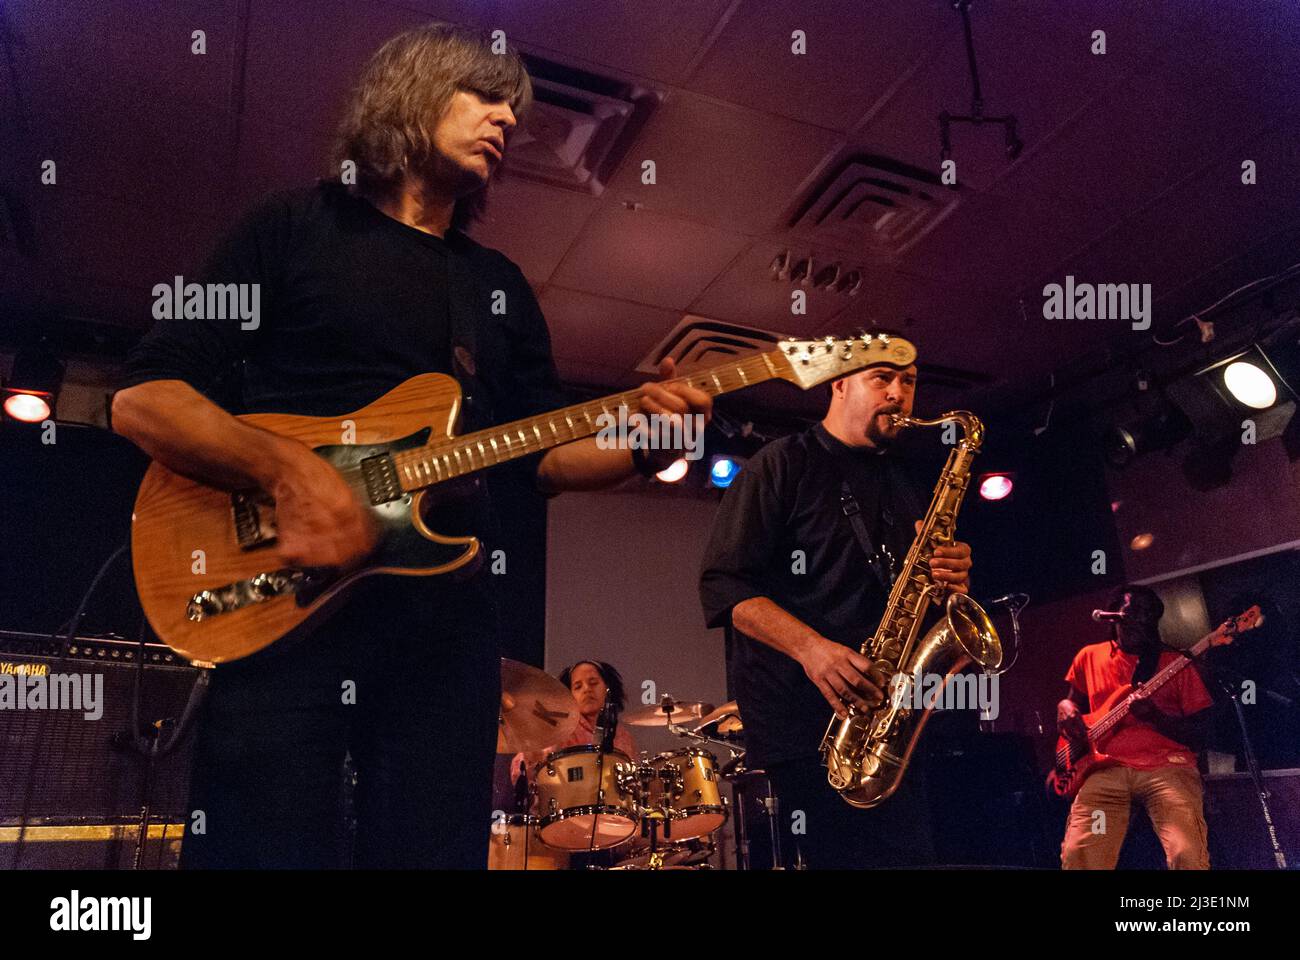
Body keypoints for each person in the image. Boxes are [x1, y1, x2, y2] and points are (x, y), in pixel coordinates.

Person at [110, 22, 709, 869]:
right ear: (413, 92)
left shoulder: (495, 288)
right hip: (285, 610)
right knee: (261, 846)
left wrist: (646, 443)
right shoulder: (292, 227)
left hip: (441, 628)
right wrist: (290, 472)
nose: (507, 119)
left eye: (516, 108)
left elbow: (543, 456)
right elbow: (145, 400)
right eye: (485, 97)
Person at [698, 341, 973, 868]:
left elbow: (910, 593)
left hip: (888, 718)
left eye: (910, 380)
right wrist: (813, 649)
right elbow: (723, 584)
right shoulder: (780, 464)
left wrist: (949, 580)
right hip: (804, 728)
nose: (900, 393)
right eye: (883, 378)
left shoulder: (901, 479)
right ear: (839, 383)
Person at [1057, 584, 1214, 870]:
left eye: (1148, 614)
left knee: (1187, 853)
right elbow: (1072, 703)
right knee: (1080, 854)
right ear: (1113, 615)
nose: (1140, 619)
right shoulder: (1088, 656)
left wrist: (1155, 717)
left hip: (1168, 767)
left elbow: (1203, 732)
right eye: (1133, 611)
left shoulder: (1175, 663)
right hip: (1104, 769)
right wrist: (1065, 709)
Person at [510, 660, 638, 787]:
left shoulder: (623, 737)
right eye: (578, 687)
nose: (587, 689)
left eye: (593, 683)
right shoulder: (559, 728)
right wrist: (534, 754)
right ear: (570, 695)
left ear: (608, 689)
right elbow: (519, 772)